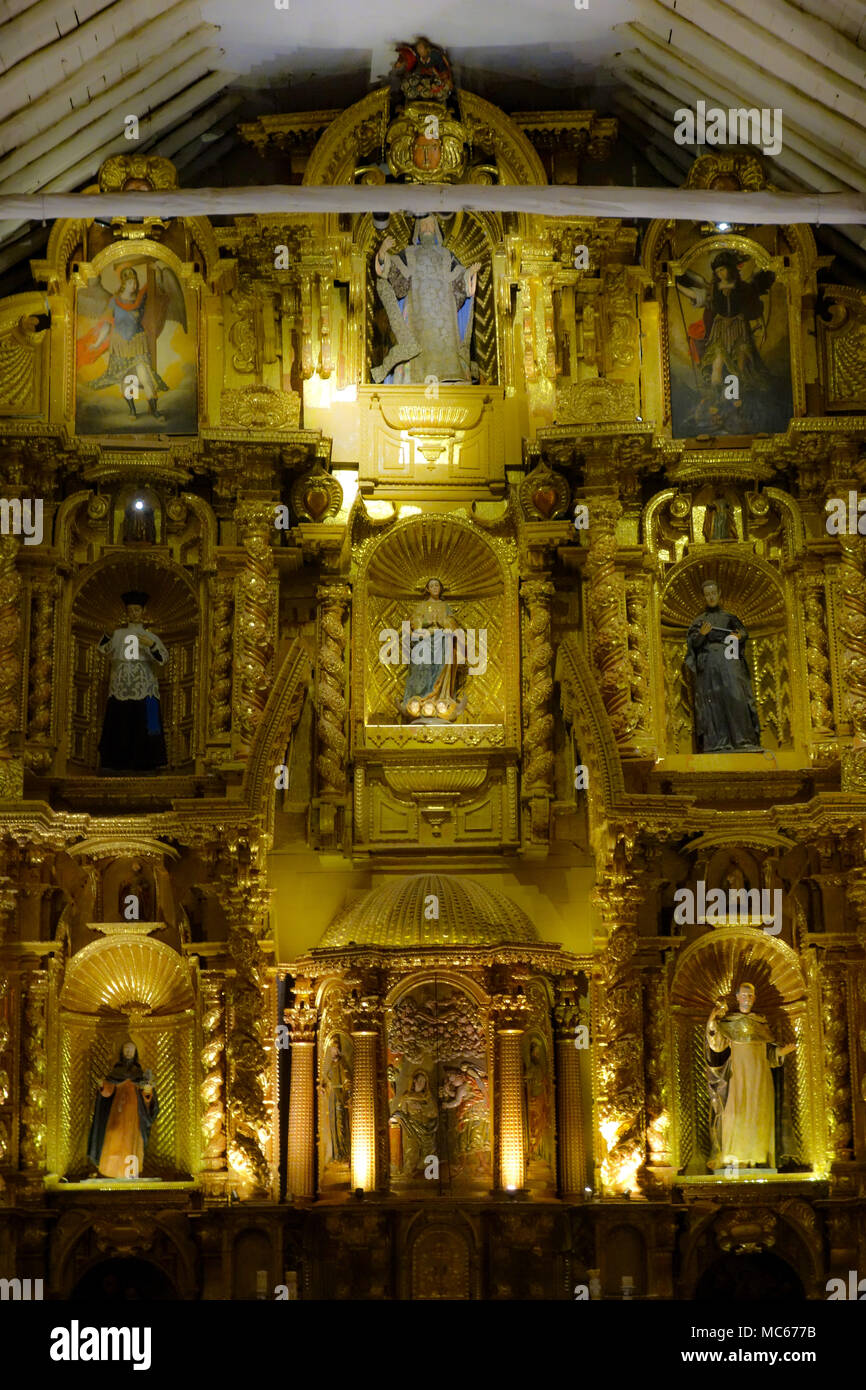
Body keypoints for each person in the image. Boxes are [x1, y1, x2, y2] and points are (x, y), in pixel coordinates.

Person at [371, 215, 480, 384]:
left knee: (445, 345)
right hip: (417, 310)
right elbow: (394, 273)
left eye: (430, 225)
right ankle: (411, 378)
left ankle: (450, 377)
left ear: (436, 229)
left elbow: (459, 282)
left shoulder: (446, 255)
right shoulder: (410, 253)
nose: (427, 228)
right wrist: (383, 253)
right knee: (416, 347)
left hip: (443, 314)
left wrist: (469, 275)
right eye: (423, 226)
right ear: (417, 231)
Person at [705, 982, 795, 1170]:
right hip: (738, 1074)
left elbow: (769, 1053)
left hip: (760, 1075)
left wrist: (782, 1052)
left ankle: (757, 1157)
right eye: (744, 995)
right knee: (734, 1113)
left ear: (755, 998)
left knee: (758, 1114)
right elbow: (716, 1045)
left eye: (751, 995)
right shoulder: (729, 1023)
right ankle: (734, 1160)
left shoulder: (761, 1021)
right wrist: (713, 1019)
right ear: (737, 997)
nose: (747, 999)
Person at [684, 579, 761, 752]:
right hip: (709, 662)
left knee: (736, 695)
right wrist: (702, 635)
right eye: (707, 594)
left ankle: (743, 739)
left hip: (729, 658)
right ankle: (717, 743)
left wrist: (738, 636)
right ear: (704, 597)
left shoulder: (729, 617)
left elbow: (743, 632)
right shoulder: (700, 621)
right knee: (713, 700)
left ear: (719, 594)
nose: (711, 597)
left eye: (713, 593)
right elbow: (693, 644)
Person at [98, 591, 169, 771]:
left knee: (150, 720)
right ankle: (116, 762)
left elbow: (163, 658)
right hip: (120, 685)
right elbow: (103, 649)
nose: (134, 613)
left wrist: (151, 645)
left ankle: (151, 762)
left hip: (146, 685)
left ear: (143, 611)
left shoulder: (151, 637)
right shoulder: (118, 634)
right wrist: (107, 634)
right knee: (120, 721)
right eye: (131, 610)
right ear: (126, 611)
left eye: (137, 610)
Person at [87, 1040, 159, 1178]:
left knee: (131, 1141)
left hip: (134, 1114)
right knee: (113, 1136)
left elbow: (147, 1096)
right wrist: (102, 1085)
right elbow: (108, 1092)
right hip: (117, 1112)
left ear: (135, 1053)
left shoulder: (140, 1074)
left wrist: (148, 1091)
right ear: (121, 1052)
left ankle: (130, 1172)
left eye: (131, 1049)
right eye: (126, 1049)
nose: (128, 1052)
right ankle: (110, 1170)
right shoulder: (116, 1072)